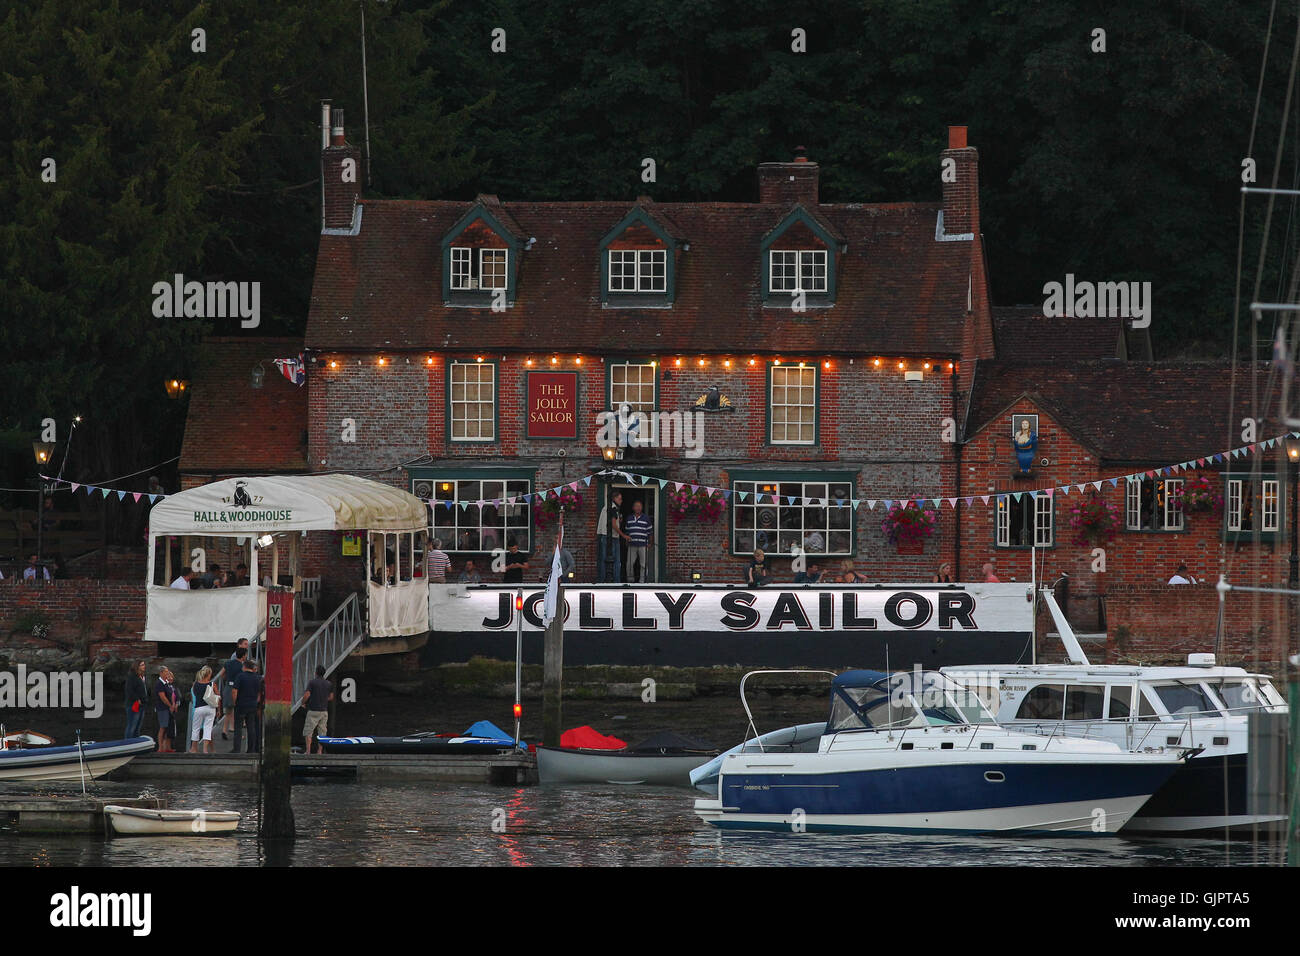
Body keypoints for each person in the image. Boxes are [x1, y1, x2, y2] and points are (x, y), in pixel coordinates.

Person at [214, 644, 248, 740]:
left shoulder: (228, 663)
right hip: (237, 690)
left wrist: (227, 678)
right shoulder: (242, 666)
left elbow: (222, 674)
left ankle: (224, 730)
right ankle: (238, 734)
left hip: (228, 687)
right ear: (243, 656)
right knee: (238, 712)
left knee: (228, 712)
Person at [231, 658, 262, 754]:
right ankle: (251, 749)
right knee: (251, 727)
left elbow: (234, 691)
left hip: (241, 704)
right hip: (252, 705)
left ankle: (237, 749)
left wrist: (234, 702)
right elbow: (259, 693)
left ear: (244, 667)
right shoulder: (257, 677)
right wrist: (256, 702)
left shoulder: (240, 676)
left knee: (238, 727)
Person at [301, 665, 334, 755]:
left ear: (316, 673)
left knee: (308, 731)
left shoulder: (312, 682)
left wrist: (303, 703)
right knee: (322, 731)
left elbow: (307, 695)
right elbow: (331, 697)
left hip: (313, 710)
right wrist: (323, 699)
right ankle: (319, 751)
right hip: (324, 711)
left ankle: (308, 751)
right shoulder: (329, 684)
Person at [596, 491, 625, 583]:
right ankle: (615, 581)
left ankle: (602, 579)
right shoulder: (613, 508)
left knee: (603, 559)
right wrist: (624, 535)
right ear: (614, 498)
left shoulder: (606, 508)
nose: (621, 501)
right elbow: (613, 525)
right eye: (619, 499)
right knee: (616, 561)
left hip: (604, 536)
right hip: (612, 537)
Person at [189, 666, 217, 754]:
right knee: (208, 728)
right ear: (208, 674)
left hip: (199, 708)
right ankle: (205, 750)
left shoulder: (195, 684)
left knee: (195, 728)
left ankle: (194, 749)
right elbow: (218, 696)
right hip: (210, 708)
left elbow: (194, 694)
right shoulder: (212, 684)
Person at [623, 500, 652, 583]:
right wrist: (626, 542)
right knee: (629, 563)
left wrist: (650, 543)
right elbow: (627, 531)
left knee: (643, 564)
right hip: (632, 544)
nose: (638, 508)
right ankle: (630, 580)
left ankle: (642, 581)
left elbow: (650, 532)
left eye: (639, 506)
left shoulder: (646, 518)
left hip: (643, 544)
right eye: (636, 506)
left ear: (642, 507)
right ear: (633, 508)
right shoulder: (629, 518)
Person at [154, 667, 178, 753]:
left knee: (169, 728)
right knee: (163, 727)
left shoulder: (166, 683)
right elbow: (163, 697)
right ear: (161, 673)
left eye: (168, 672)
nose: (168, 673)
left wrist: (174, 704)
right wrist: (170, 705)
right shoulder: (159, 683)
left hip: (168, 708)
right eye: (166, 672)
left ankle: (167, 747)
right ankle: (160, 747)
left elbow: (172, 694)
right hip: (162, 708)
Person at [124, 660, 149, 738]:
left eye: (144, 664)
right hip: (134, 704)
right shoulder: (132, 677)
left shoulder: (142, 677)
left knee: (138, 727)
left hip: (142, 705)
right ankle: (128, 743)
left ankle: (135, 743)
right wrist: (137, 699)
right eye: (142, 665)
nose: (144, 666)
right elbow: (129, 690)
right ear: (137, 666)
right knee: (132, 725)